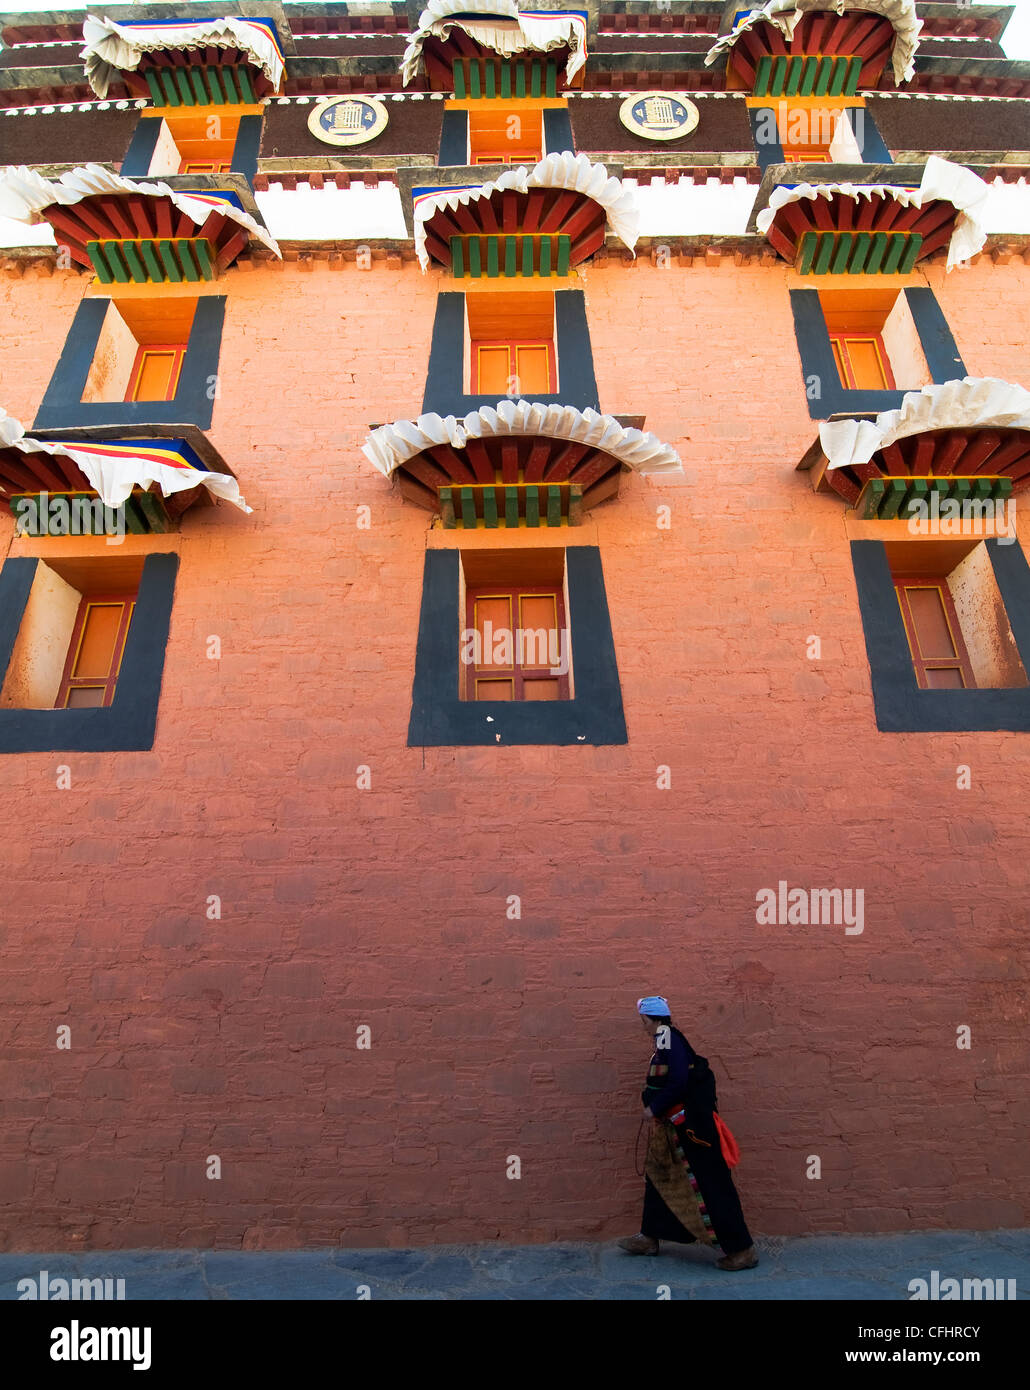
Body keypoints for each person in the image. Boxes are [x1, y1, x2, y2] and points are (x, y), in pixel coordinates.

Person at [618, 995, 759, 1270]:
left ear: (655, 1019)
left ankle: (742, 1250)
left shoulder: (668, 1038)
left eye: (643, 1021)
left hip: (690, 1128)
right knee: (659, 1175)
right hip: (674, 1126)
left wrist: (654, 1107)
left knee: (711, 1184)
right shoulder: (664, 1038)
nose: (642, 1026)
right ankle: (650, 1237)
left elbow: (679, 1081)